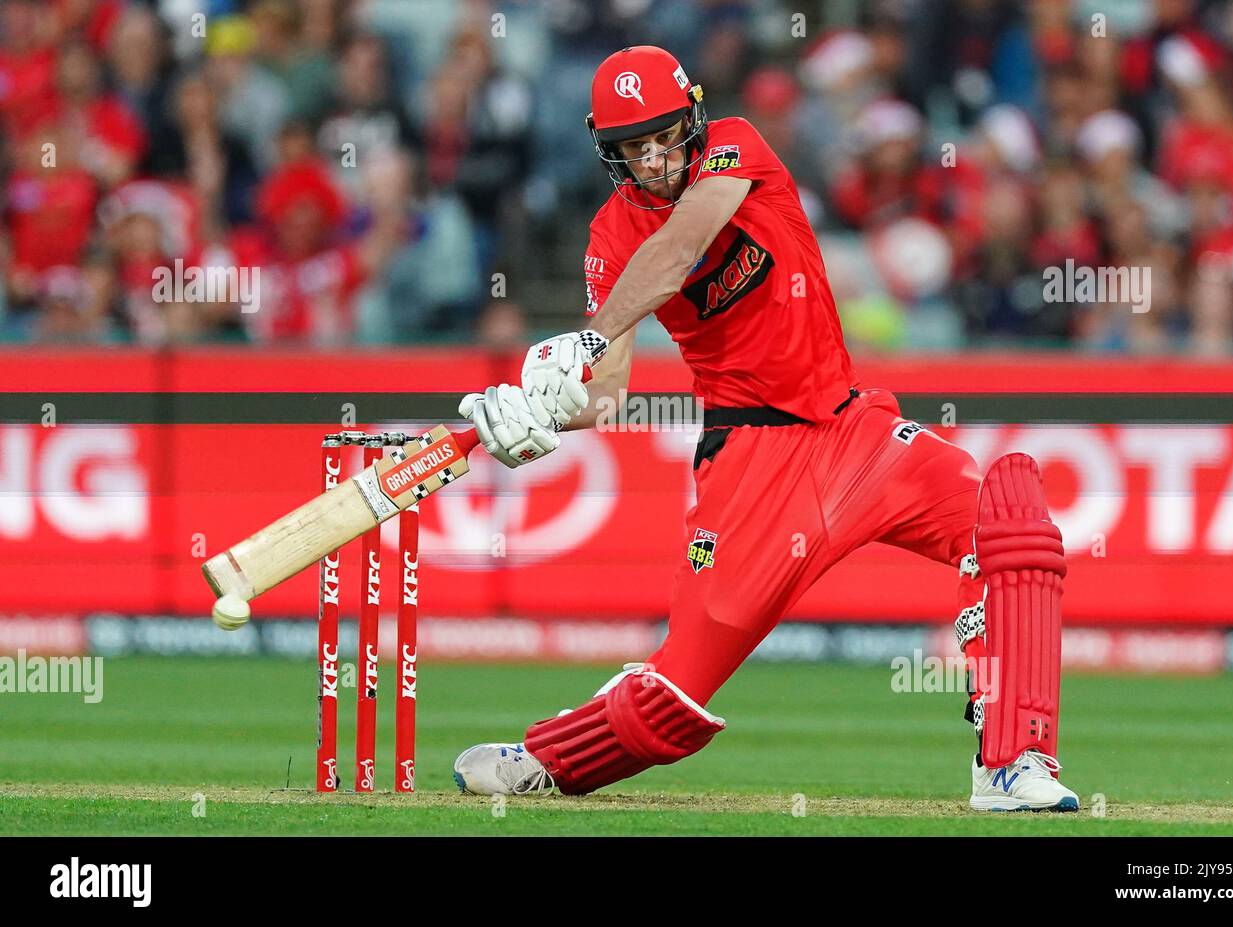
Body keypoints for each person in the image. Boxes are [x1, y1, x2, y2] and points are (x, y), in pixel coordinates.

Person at [453, 47, 1078, 811]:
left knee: (1012, 521)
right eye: (632, 147)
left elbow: (682, 247)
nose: (654, 159)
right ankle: (545, 758)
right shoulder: (609, 239)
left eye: (664, 135)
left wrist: (590, 331)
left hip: (857, 431)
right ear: (607, 150)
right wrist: (536, 409)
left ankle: (1012, 762)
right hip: (751, 461)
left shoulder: (735, 146)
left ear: (695, 118)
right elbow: (607, 393)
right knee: (672, 700)